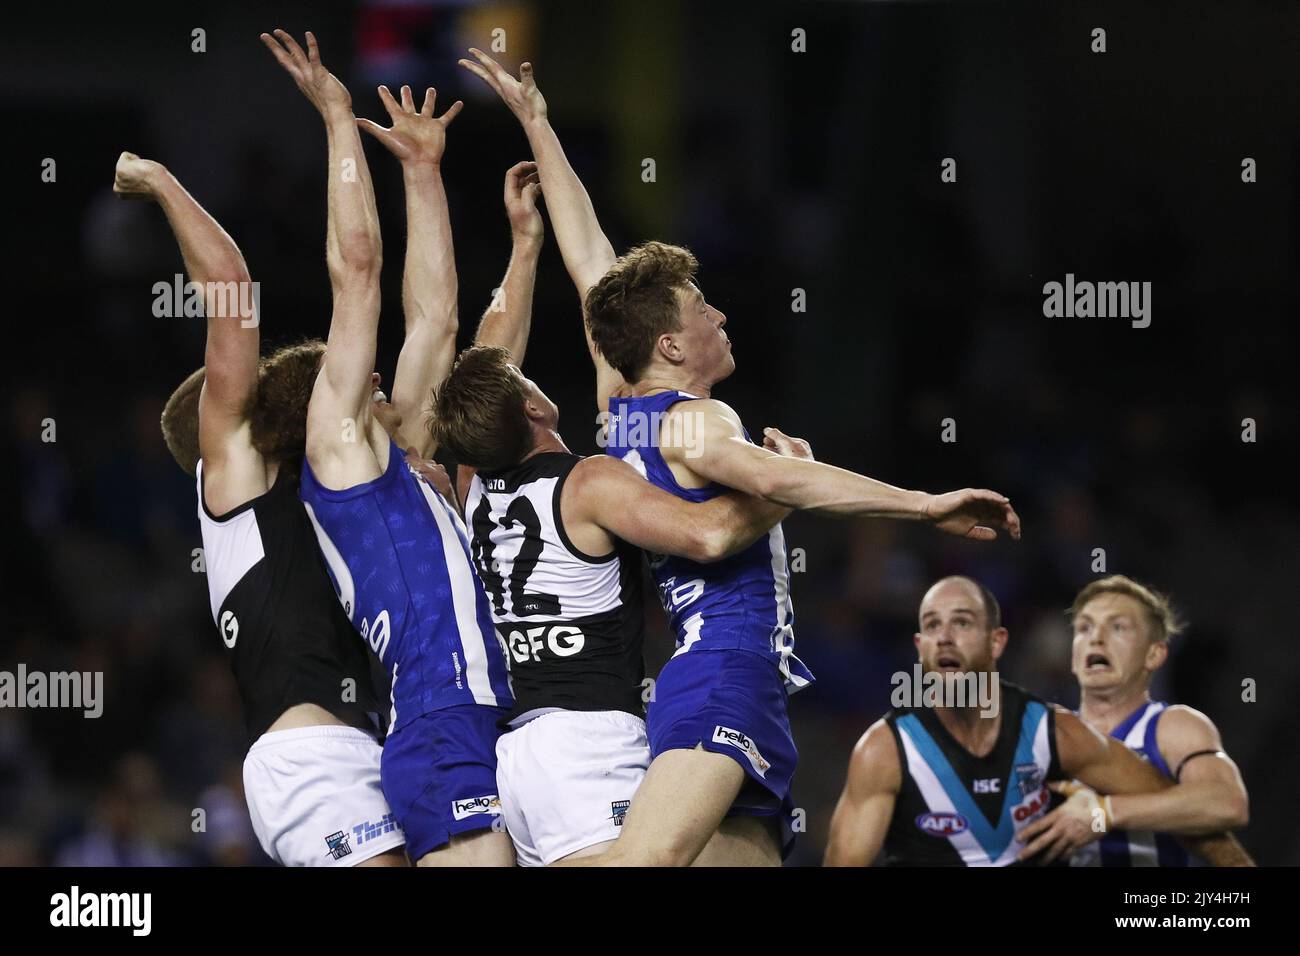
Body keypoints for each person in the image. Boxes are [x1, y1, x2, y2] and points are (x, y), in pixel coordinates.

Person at [460, 48, 1021, 866]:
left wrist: (539, 124)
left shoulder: (622, 407)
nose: (721, 314)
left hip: (738, 680)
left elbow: (593, 267)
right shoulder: (693, 420)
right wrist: (923, 504)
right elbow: (776, 477)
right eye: (700, 309)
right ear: (669, 345)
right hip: (723, 668)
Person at [261, 28, 513, 865]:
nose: (369, 371)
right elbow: (358, 269)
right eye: (349, 371)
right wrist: (338, 116)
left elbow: (437, 318)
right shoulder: (341, 459)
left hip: (490, 716)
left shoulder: (396, 449)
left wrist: (422, 171)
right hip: (439, 723)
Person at [127, 146, 404, 866]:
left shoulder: (314, 495)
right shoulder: (233, 483)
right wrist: (161, 180)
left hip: (360, 748)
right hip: (311, 755)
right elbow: (231, 290)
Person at [1015, 575, 1252, 866]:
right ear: (1073, 655)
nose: (1096, 637)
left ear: (1153, 654)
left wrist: (1106, 813)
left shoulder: (1173, 726)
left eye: (1118, 627)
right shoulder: (1048, 732)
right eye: (1084, 627)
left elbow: (1227, 803)